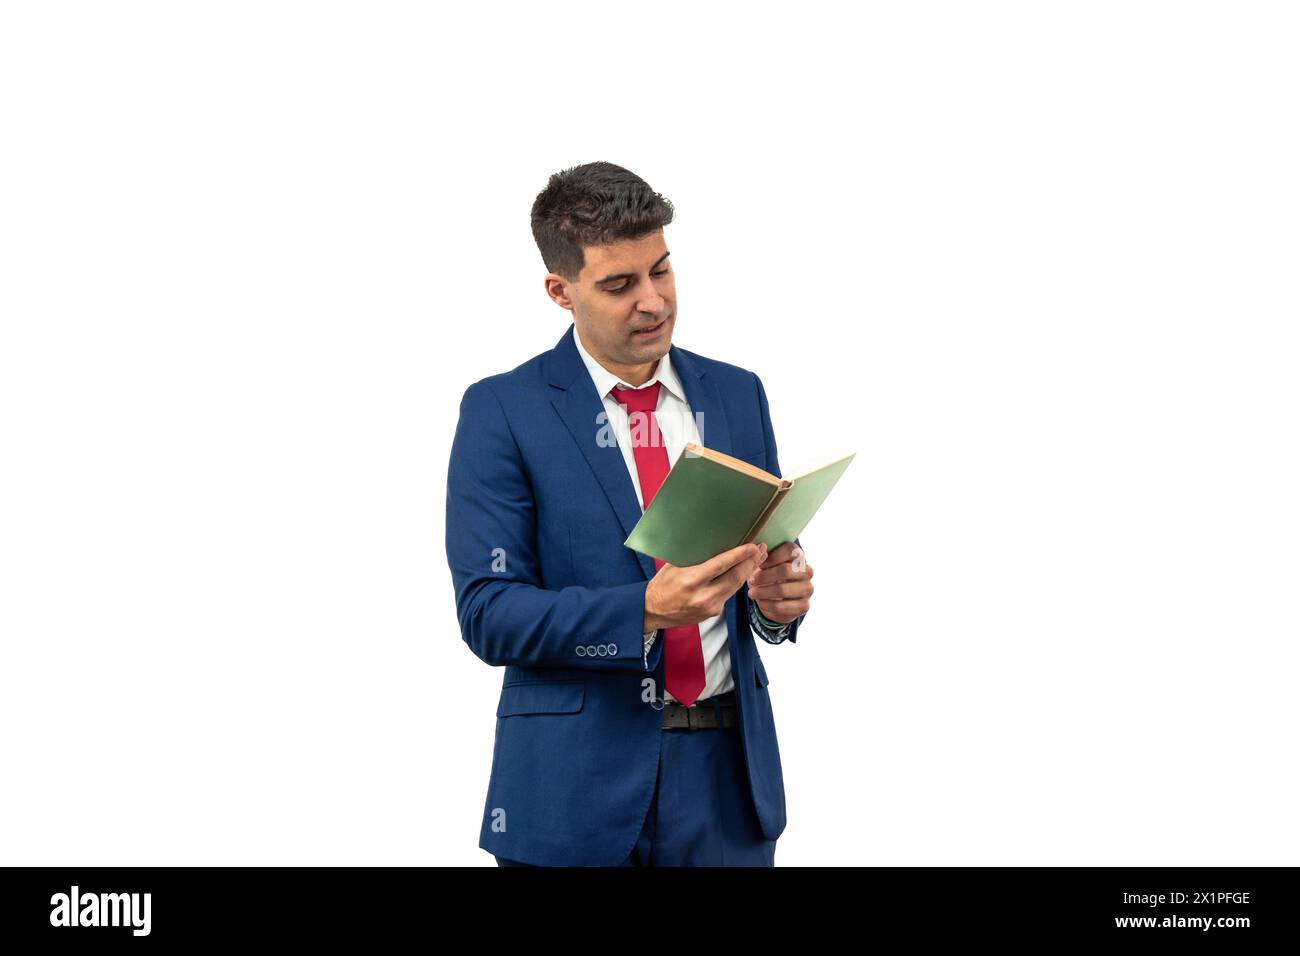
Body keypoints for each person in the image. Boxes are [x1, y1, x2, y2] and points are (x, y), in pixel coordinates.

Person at [445, 161, 815, 866]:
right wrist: (643, 611)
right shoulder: (503, 410)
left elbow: (764, 559)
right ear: (561, 291)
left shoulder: (737, 394)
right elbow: (489, 612)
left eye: (662, 270)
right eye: (619, 285)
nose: (653, 301)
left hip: (728, 788)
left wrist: (777, 602)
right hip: (571, 791)